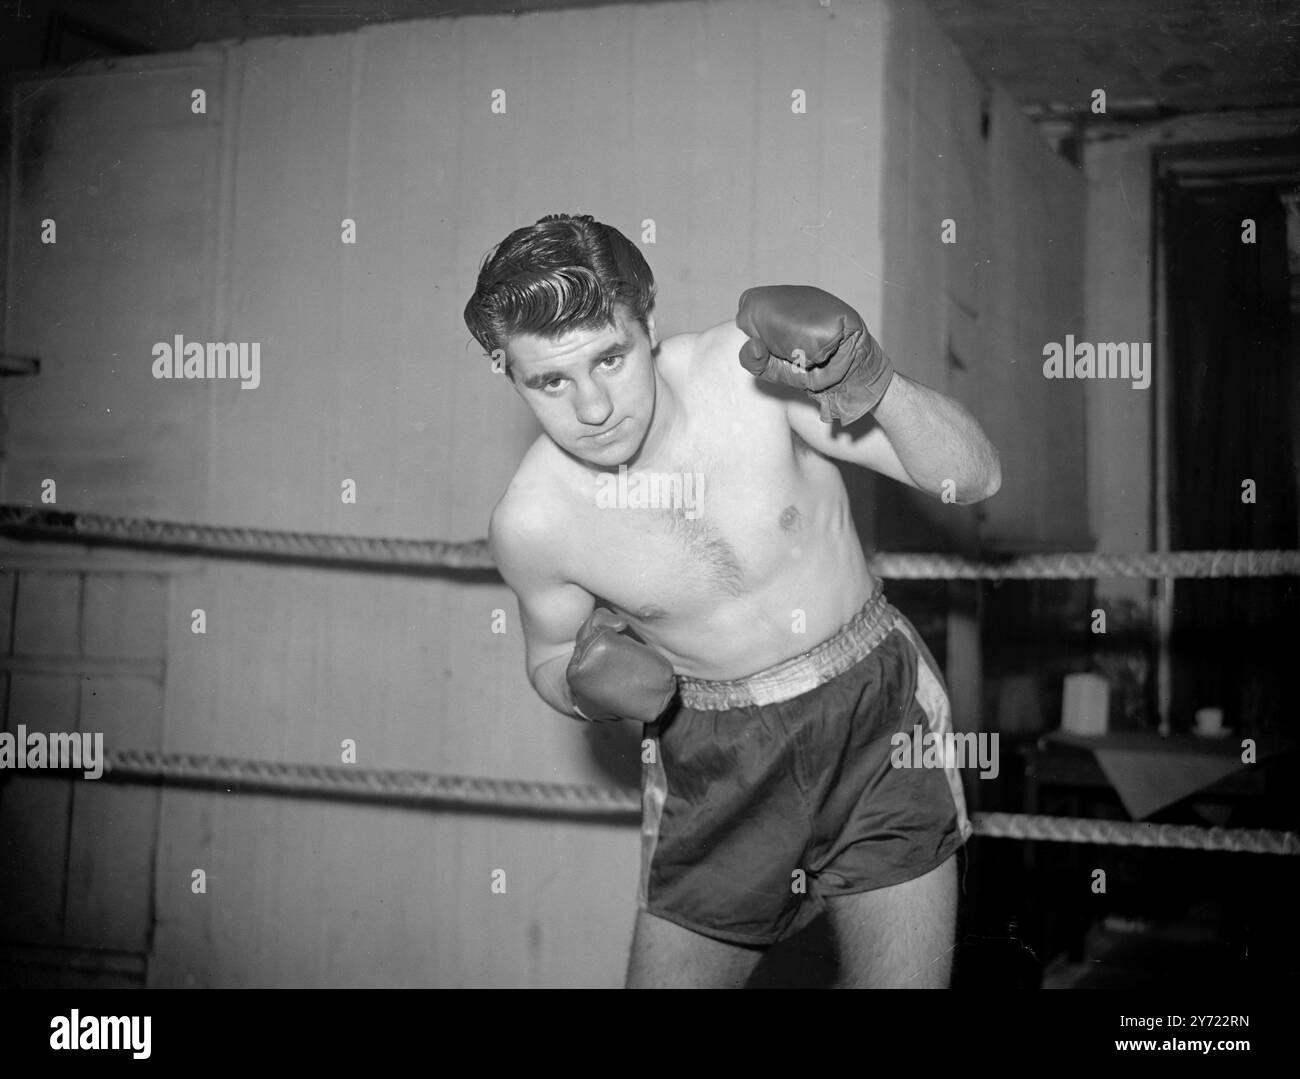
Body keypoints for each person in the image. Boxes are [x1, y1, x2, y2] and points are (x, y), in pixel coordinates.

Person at [465, 213, 1001, 988]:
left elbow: (975, 477)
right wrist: (584, 687)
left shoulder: (750, 376)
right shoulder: (532, 522)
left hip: (875, 712)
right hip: (712, 754)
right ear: (506, 372)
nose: (591, 408)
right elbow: (548, 656)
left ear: (647, 324)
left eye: (610, 358)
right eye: (551, 379)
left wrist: (872, 378)